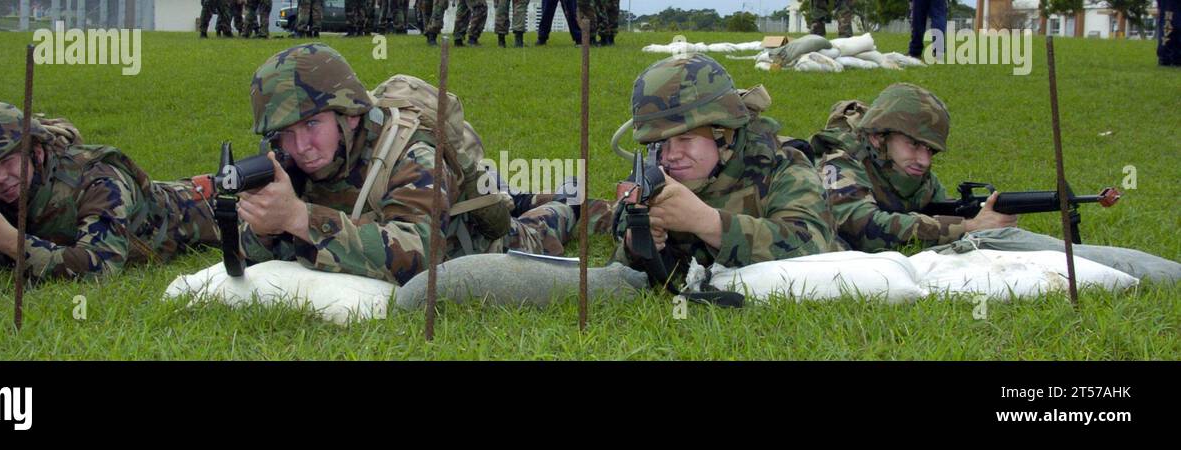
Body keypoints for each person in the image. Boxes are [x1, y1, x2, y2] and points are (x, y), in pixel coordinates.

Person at [237, 43, 609, 285]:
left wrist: (300, 219)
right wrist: (266, 226)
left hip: (476, 237)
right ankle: (516, 191)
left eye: (312, 124)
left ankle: (567, 200)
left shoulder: (413, 151)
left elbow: (419, 258)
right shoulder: (291, 158)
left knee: (542, 223)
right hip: (415, 206)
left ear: (349, 116)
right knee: (507, 190)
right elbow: (253, 250)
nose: (301, 145)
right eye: (286, 131)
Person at [816, 83, 1181, 282]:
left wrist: (976, 222)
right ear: (880, 136)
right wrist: (968, 226)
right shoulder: (840, 161)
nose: (924, 161)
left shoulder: (908, 172)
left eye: (931, 151)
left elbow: (936, 211)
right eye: (913, 145)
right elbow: (863, 226)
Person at [612, 54, 838, 285]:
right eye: (659, 144)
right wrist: (636, 244)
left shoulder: (782, 164)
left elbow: (813, 245)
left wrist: (707, 222)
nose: (671, 155)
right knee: (597, 211)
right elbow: (622, 241)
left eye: (686, 139)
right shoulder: (657, 175)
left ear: (724, 132)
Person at [0, 102, 220, 281]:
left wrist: (13, 243)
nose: (1, 178)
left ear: (36, 153)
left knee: (244, 198)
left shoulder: (98, 180)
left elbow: (102, 267)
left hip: (198, 208)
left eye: (9, 162)